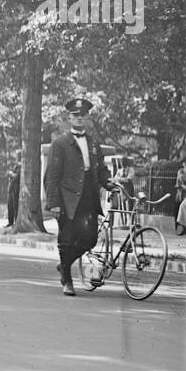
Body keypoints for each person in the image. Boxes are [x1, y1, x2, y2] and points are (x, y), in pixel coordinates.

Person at [44, 97, 113, 296]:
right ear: (69, 118)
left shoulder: (93, 144)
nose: (79, 118)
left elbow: (100, 170)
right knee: (66, 239)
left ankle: (64, 264)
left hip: (88, 199)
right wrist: (54, 204)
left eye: (83, 115)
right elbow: (52, 176)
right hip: (67, 200)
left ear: (88, 118)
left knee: (90, 239)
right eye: (75, 115)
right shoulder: (60, 144)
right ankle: (67, 279)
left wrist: (109, 184)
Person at [5, 155, 21, 227]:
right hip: (11, 188)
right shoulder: (14, 166)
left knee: (15, 205)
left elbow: (17, 177)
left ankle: (15, 221)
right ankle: (10, 222)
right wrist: (10, 174)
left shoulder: (21, 166)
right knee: (10, 205)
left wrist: (11, 174)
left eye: (18, 156)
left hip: (16, 188)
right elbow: (7, 174)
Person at [174, 160, 186, 236]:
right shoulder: (180, 171)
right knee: (176, 211)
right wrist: (179, 186)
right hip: (179, 194)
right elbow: (177, 182)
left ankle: (185, 229)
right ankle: (178, 229)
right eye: (183, 163)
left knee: (184, 212)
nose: (184, 164)